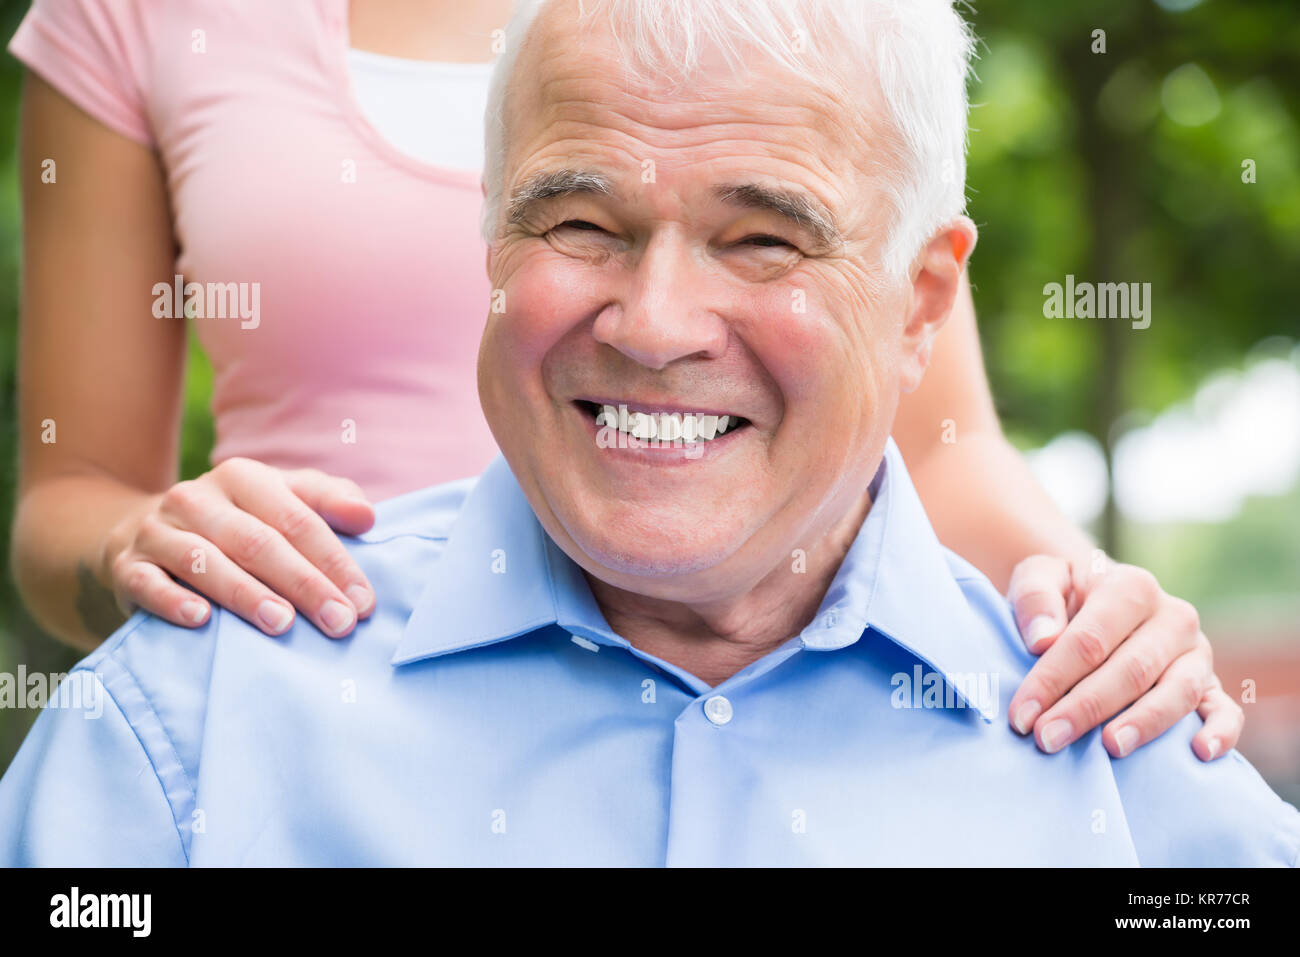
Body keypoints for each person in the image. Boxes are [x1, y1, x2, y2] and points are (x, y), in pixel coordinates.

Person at [2, 0, 1294, 867]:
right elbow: (75, 489)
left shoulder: (1127, 799)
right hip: (311, 649)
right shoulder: (180, 737)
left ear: (923, 298)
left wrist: (1101, 624)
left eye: (763, 239)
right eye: (578, 224)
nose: (659, 319)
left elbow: (947, 447)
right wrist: (153, 563)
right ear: (496, 236)